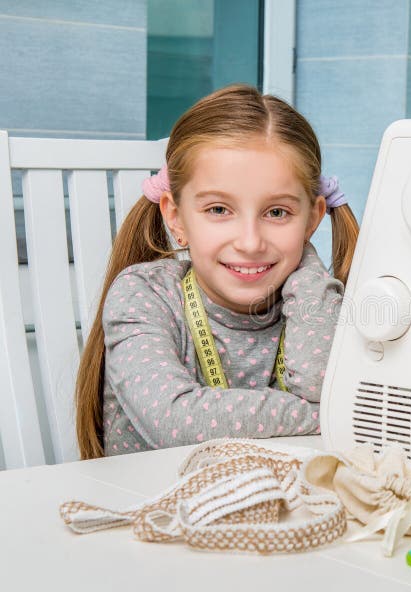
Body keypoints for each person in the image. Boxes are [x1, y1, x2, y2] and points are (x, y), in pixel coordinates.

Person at [74, 84, 359, 459]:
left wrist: (306, 264)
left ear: (312, 219)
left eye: (278, 213)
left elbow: (325, 384)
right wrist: (326, 417)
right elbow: (174, 422)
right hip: (150, 509)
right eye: (219, 210)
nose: (250, 241)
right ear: (175, 217)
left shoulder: (317, 300)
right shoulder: (144, 295)